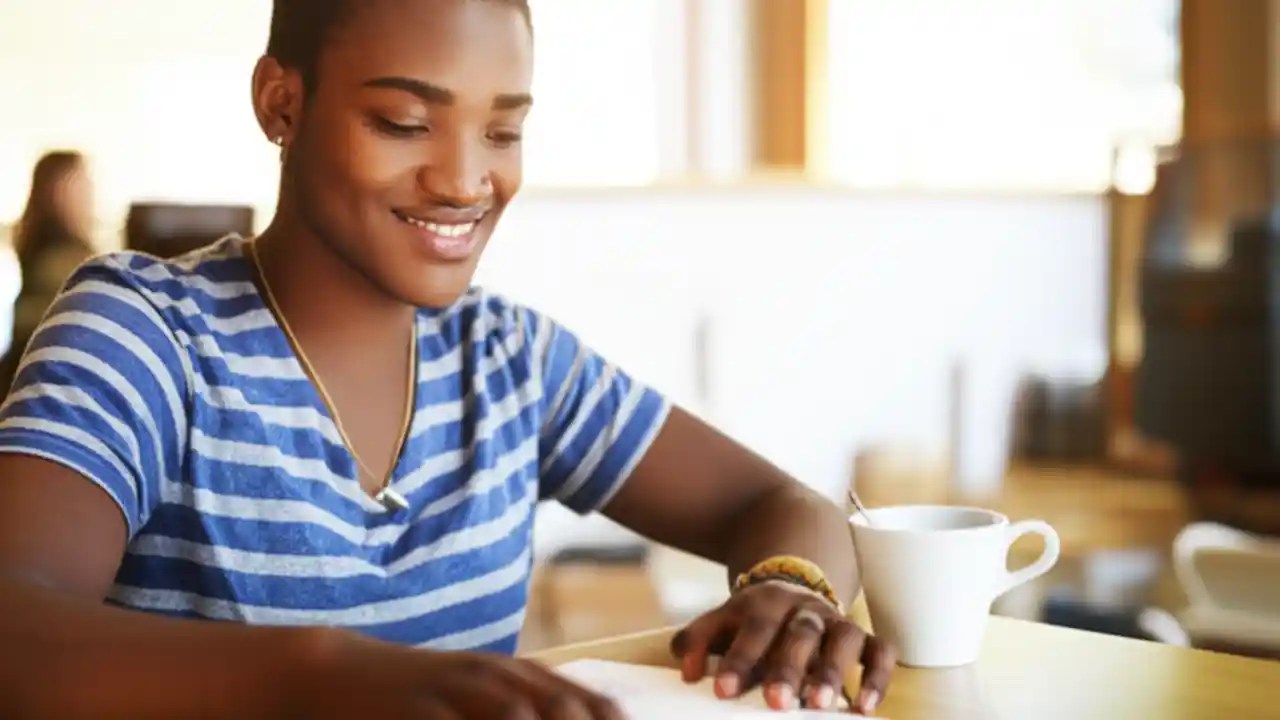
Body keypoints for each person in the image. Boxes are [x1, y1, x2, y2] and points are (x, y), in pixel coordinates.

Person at [0, 1, 894, 717]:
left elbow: (782, 506)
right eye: (403, 122)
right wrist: (320, 675)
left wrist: (793, 591)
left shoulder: (511, 361)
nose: (466, 181)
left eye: (502, 132)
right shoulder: (146, 332)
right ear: (281, 103)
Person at [0, 150, 96, 397]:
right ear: (57, 188)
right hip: (45, 377)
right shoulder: (65, 255)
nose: (90, 191)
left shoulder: (33, 241)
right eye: (81, 181)